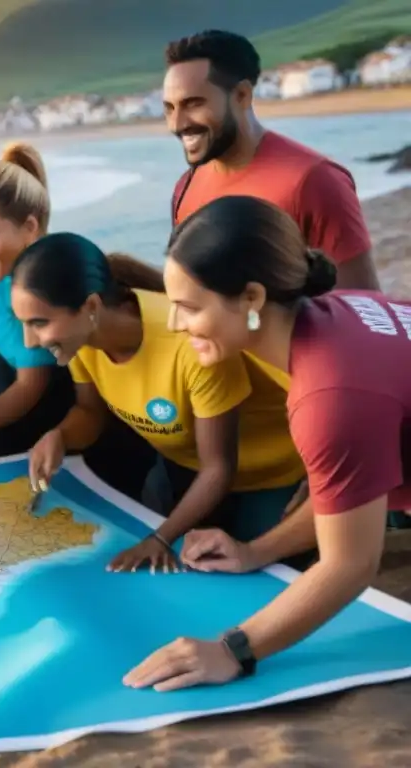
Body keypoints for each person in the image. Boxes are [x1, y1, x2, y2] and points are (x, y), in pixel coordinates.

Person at [125, 194, 410, 692]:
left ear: (252, 298)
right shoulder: (333, 313)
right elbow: (350, 491)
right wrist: (257, 552)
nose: (173, 324)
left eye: (189, 307)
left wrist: (233, 649)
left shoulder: (329, 394)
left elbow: (350, 564)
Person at [11, 232, 306, 572]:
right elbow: (89, 412)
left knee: (263, 574)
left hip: (268, 475)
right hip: (184, 469)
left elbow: (218, 468)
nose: (28, 341)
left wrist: (161, 539)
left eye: (39, 323)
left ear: (90, 307)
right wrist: (60, 436)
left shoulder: (189, 346)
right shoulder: (79, 342)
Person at [0, 143, 155, 502]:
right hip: (35, 431)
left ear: (29, 227)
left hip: (74, 435)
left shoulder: (44, 288)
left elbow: (33, 384)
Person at [163, 29, 379, 291]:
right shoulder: (185, 188)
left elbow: (362, 308)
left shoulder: (313, 180)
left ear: (242, 95)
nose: (177, 124)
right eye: (170, 108)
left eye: (193, 104)